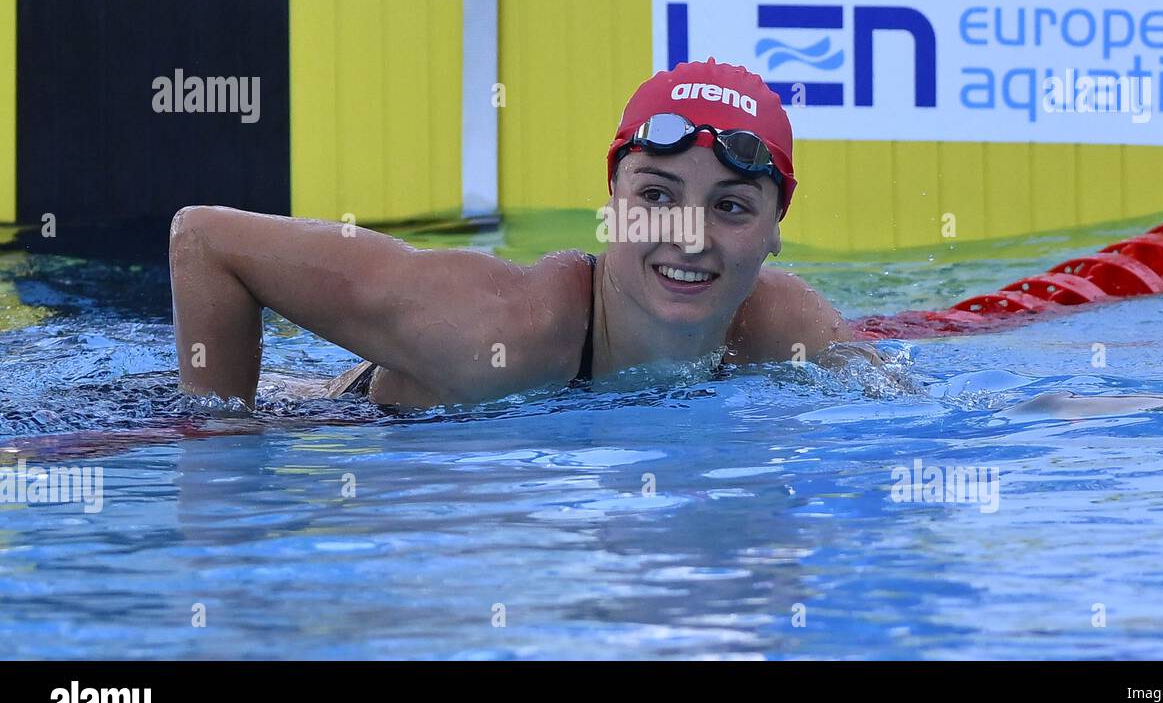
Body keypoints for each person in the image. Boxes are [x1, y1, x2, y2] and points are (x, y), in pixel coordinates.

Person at [168, 58, 881, 410]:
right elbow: (204, 240)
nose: (690, 239)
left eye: (731, 208)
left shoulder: (789, 325)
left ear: (775, 231)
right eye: (658, 195)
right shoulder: (495, 327)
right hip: (326, 422)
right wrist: (227, 450)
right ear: (612, 202)